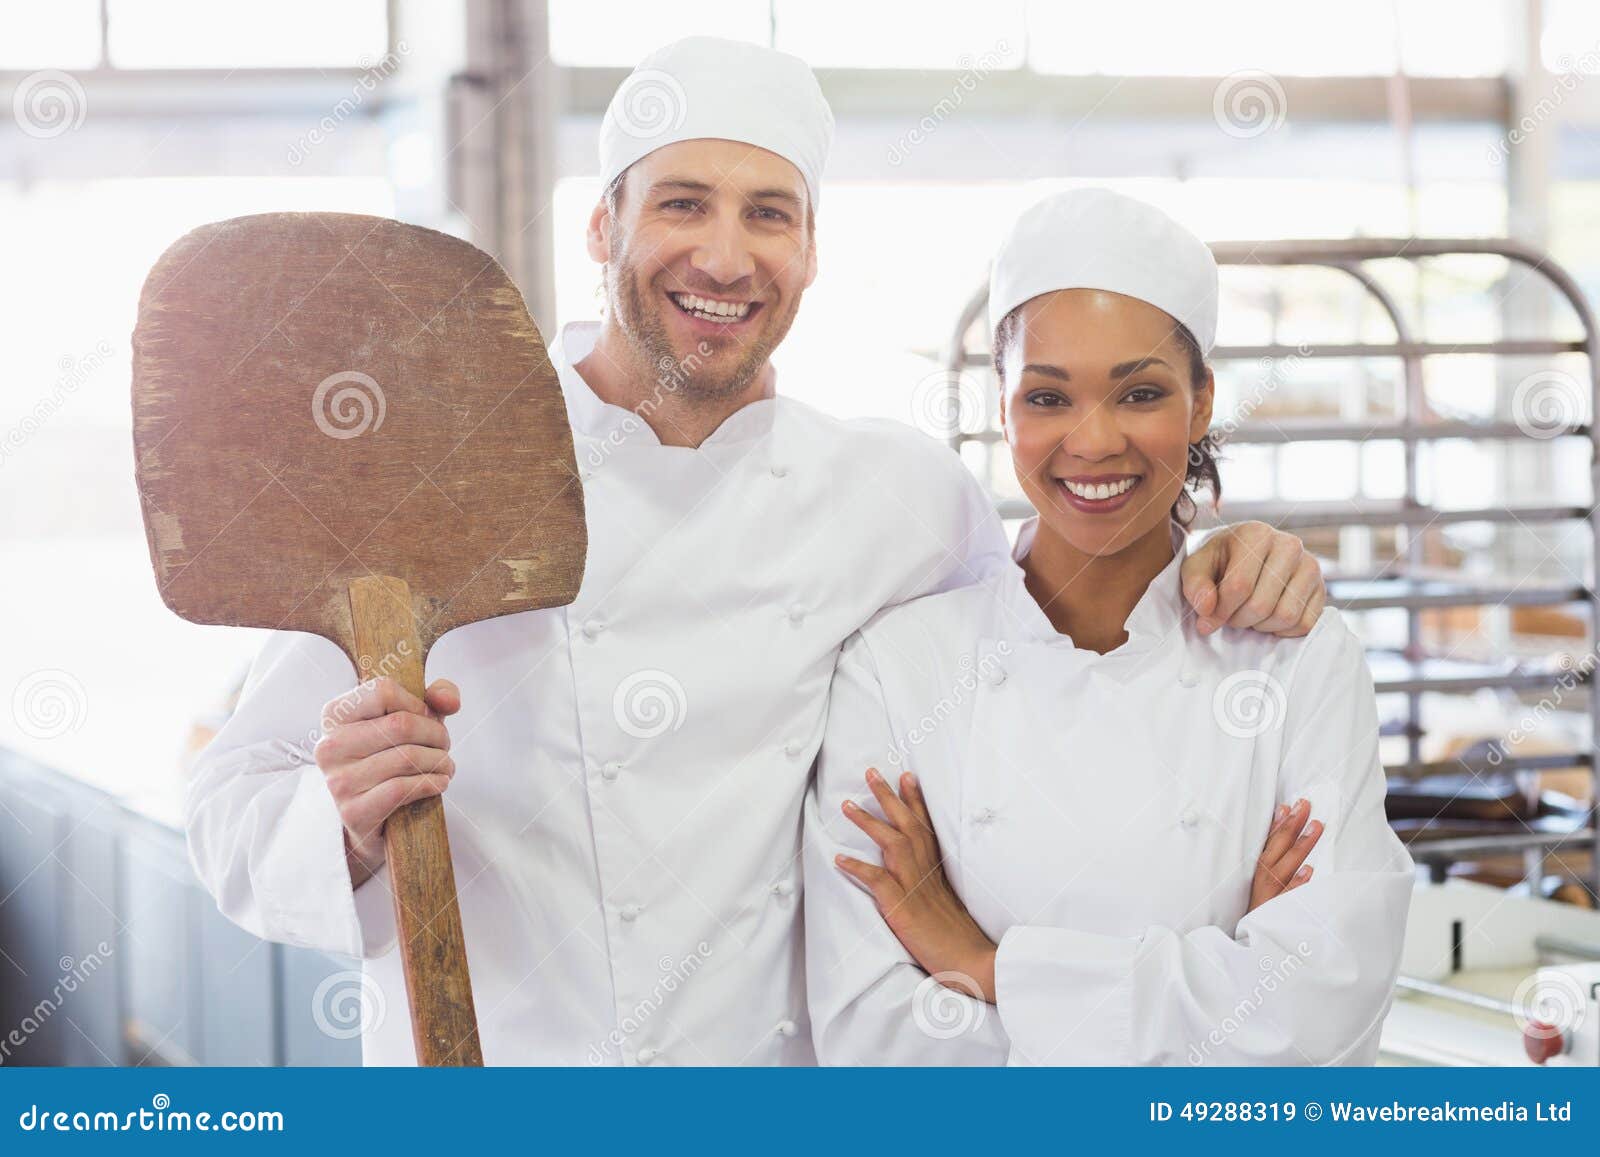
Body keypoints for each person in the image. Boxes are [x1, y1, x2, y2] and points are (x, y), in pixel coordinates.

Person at [185, 42, 1327, 1066]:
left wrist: (1221, 552)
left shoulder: (899, 498)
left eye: (769, 214)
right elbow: (229, 818)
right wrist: (340, 817)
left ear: (811, 249)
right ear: (604, 227)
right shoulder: (436, 477)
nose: (726, 258)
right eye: (683, 204)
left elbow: (1060, 653)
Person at [803, 188, 1413, 1066]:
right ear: (1003, 407)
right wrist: (1215, 982)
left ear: (1202, 404)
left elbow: (1316, 1016)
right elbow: (874, 1036)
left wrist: (984, 964)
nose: (1091, 443)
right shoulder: (899, 669)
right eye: (1048, 398)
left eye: (1139, 392)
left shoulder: (1296, 662)